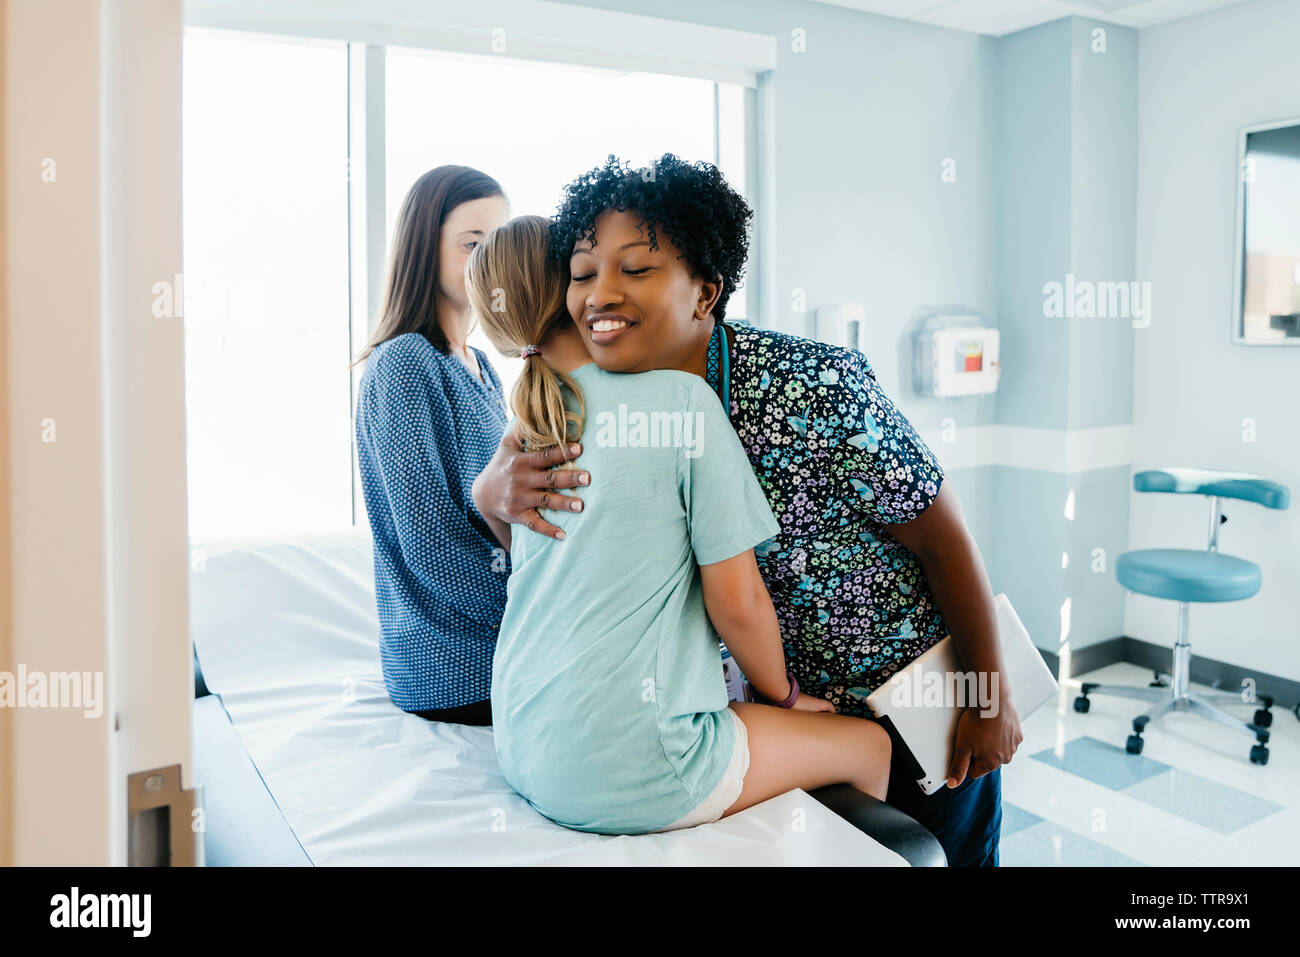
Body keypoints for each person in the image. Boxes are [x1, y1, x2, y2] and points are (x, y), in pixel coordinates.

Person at [473, 155, 1022, 863]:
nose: (600, 295)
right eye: (582, 274)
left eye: (635, 270)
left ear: (705, 294)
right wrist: (488, 490)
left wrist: (985, 694)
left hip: (913, 698)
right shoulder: (583, 408)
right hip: (778, 711)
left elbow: (944, 541)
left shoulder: (817, 386)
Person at [464, 215, 892, 834]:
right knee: (868, 745)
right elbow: (738, 602)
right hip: (634, 766)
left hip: (526, 743)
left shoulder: (526, 437)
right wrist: (791, 700)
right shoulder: (681, 403)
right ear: (574, 285)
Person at [353, 165, 510, 725]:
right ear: (425, 248)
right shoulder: (402, 363)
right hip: (452, 664)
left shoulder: (482, 365)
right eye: (472, 244)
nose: (490, 261)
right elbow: (431, 543)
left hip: (499, 640)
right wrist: (534, 613)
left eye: (499, 243)